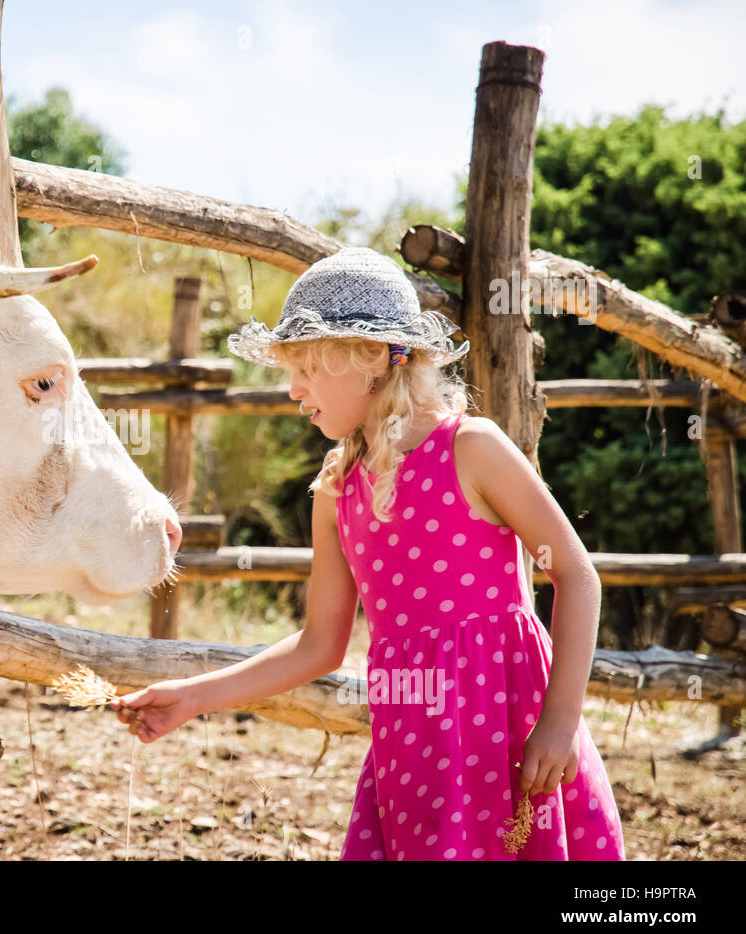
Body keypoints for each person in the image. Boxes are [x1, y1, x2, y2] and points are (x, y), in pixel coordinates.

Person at [111, 246, 625, 860]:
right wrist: (194, 697)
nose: (294, 388)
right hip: (413, 744)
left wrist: (560, 721)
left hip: (508, 724)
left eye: (306, 366)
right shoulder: (335, 489)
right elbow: (318, 644)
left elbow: (575, 574)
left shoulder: (472, 449)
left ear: (374, 356)